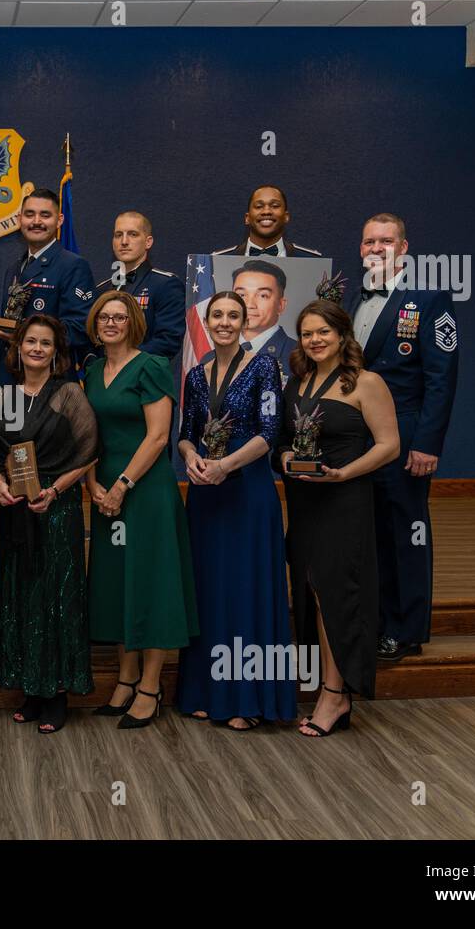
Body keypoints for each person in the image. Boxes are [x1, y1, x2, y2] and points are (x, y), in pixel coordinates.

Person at [277, 300, 399, 737]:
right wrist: (288, 456)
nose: (314, 340)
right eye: (307, 333)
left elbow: (389, 445)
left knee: (336, 591)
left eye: (323, 332)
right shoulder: (297, 382)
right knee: (311, 589)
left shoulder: (368, 383)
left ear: (343, 335)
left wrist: (345, 472)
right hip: (304, 499)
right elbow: (282, 442)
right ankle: (330, 686)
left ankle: (336, 693)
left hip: (345, 498)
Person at [175, 290, 295, 729]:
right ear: (207, 322)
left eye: (233, 316)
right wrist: (191, 458)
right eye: (217, 315)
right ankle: (207, 691)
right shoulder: (196, 373)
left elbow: (268, 433)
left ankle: (246, 699)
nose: (224, 322)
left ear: (245, 322)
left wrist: (225, 465)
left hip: (247, 491)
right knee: (210, 591)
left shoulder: (264, 365)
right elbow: (185, 434)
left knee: (245, 591)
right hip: (206, 493)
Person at [84, 290, 198, 729]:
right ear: (95, 325)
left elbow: (157, 437)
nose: (111, 324)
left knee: (150, 581)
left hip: (144, 490)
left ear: (134, 323)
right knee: (116, 581)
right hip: (104, 489)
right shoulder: (92, 371)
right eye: (104, 318)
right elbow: (88, 434)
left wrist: (122, 486)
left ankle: (150, 685)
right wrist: (94, 485)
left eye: (120, 317)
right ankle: (125, 679)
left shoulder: (150, 366)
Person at [349, 213, 458, 662]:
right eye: (370, 241)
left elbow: (442, 378)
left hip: (406, 435)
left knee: (406, 531)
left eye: (386, 241)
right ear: (360, 249)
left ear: (405, 248)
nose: (377, 249)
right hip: (357, 438)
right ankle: (374, 622)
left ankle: (407, 629)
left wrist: (428, 442)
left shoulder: (430, 300)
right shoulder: (352, 299)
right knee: (369, 532)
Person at [0, 315, 98, 734]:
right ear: (17, 348)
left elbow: (89, 450)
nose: (36, 348)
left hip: (55, 506)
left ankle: (56, 694)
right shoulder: (2, 395)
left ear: (56, 351)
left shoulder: (68, 393)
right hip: (13, 506)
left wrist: (53, 491)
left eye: (45, 343)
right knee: (21, 593)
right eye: (29, 341)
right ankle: (30, 691)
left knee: (55, 594)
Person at [0, 189, 95, 381]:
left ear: (59, 220)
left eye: (45, 215)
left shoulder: (73, 266)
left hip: (50, 380)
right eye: (29, 214)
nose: (36, 221)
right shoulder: (14, 269)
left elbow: (80, 328)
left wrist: (25, 336)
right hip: (9, 378)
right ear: (19, 219)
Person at [89, 211, 185, 362]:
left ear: (148, 242)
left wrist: (123, 363)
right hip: (102, 376)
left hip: (144, 378)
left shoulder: (165, 285)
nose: (124, 241)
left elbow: (168, 341)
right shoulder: (101, 290)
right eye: (118, 235)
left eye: (133, 234)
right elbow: (92, 339)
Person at [201, 260, 297, 372]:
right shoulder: (209, 358)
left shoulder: (298, 355)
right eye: (241, 295)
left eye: (263, 296)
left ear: (281, 305)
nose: (249, 305)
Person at [213, 185, 322, 258]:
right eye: (259, 206)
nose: (266, 211)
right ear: (247, 218)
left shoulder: (312, 261)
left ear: (286, 216)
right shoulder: (219, 261)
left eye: (275, 206)